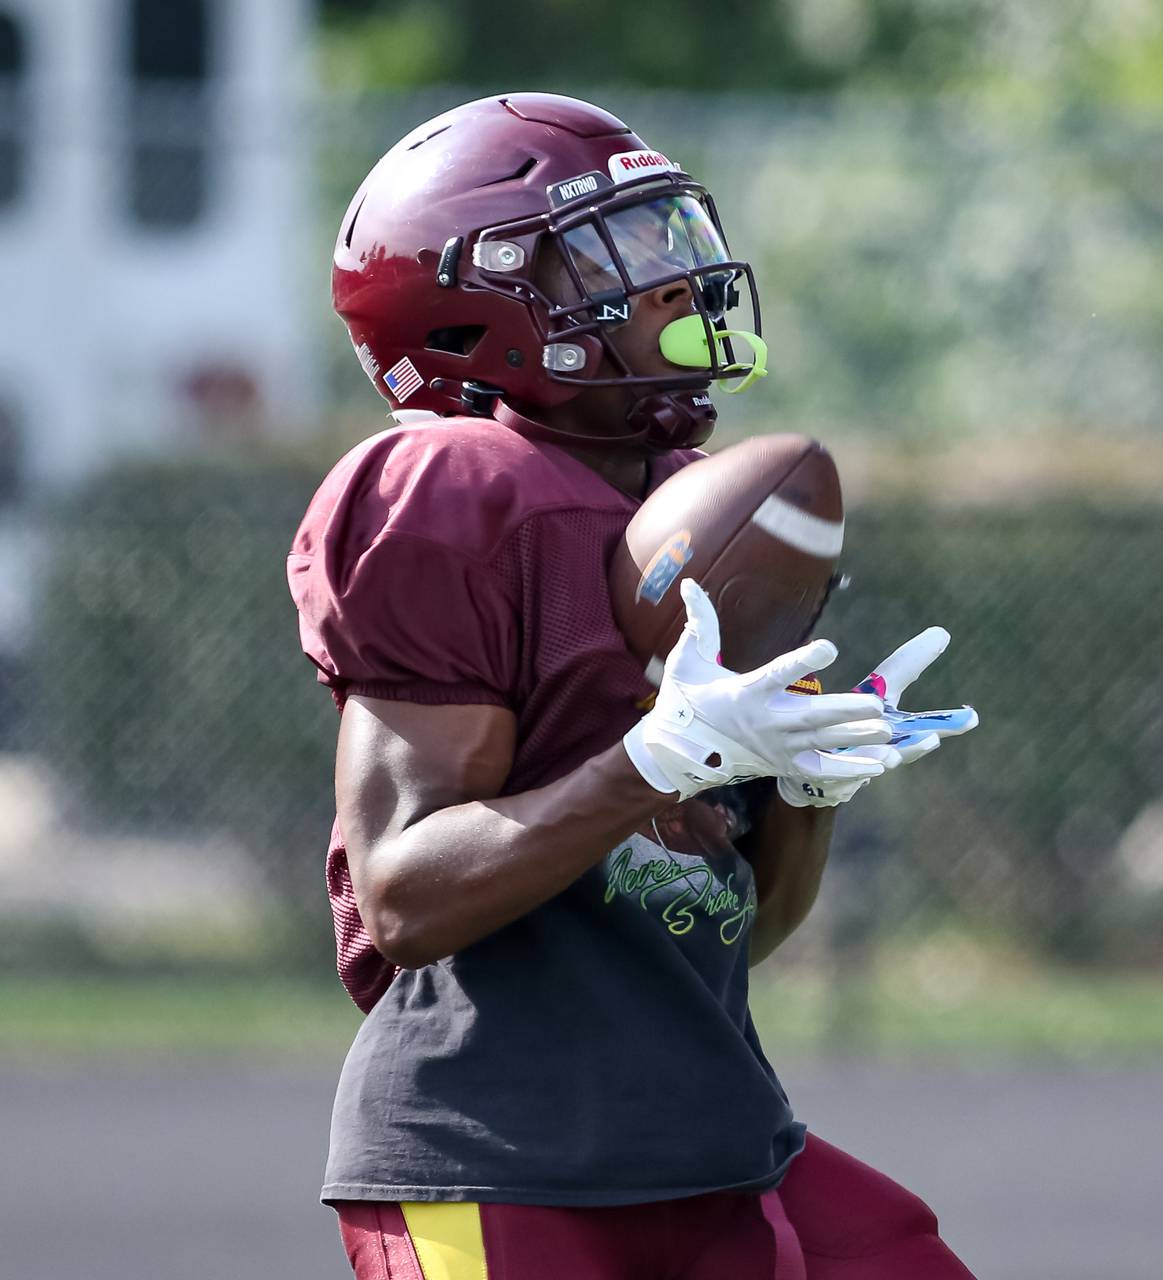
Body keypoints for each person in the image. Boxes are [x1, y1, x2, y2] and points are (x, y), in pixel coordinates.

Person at [286, 92, 979, 1280]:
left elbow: (739, 925)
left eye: (671, 236)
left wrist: (805, 787)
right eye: (615, 250)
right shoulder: (447, 487)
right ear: (480, 306)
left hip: (710, 1136)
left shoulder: (695, 511)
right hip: (497, 1146)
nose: (676, 278)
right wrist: (653, 759)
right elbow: (403, 898)